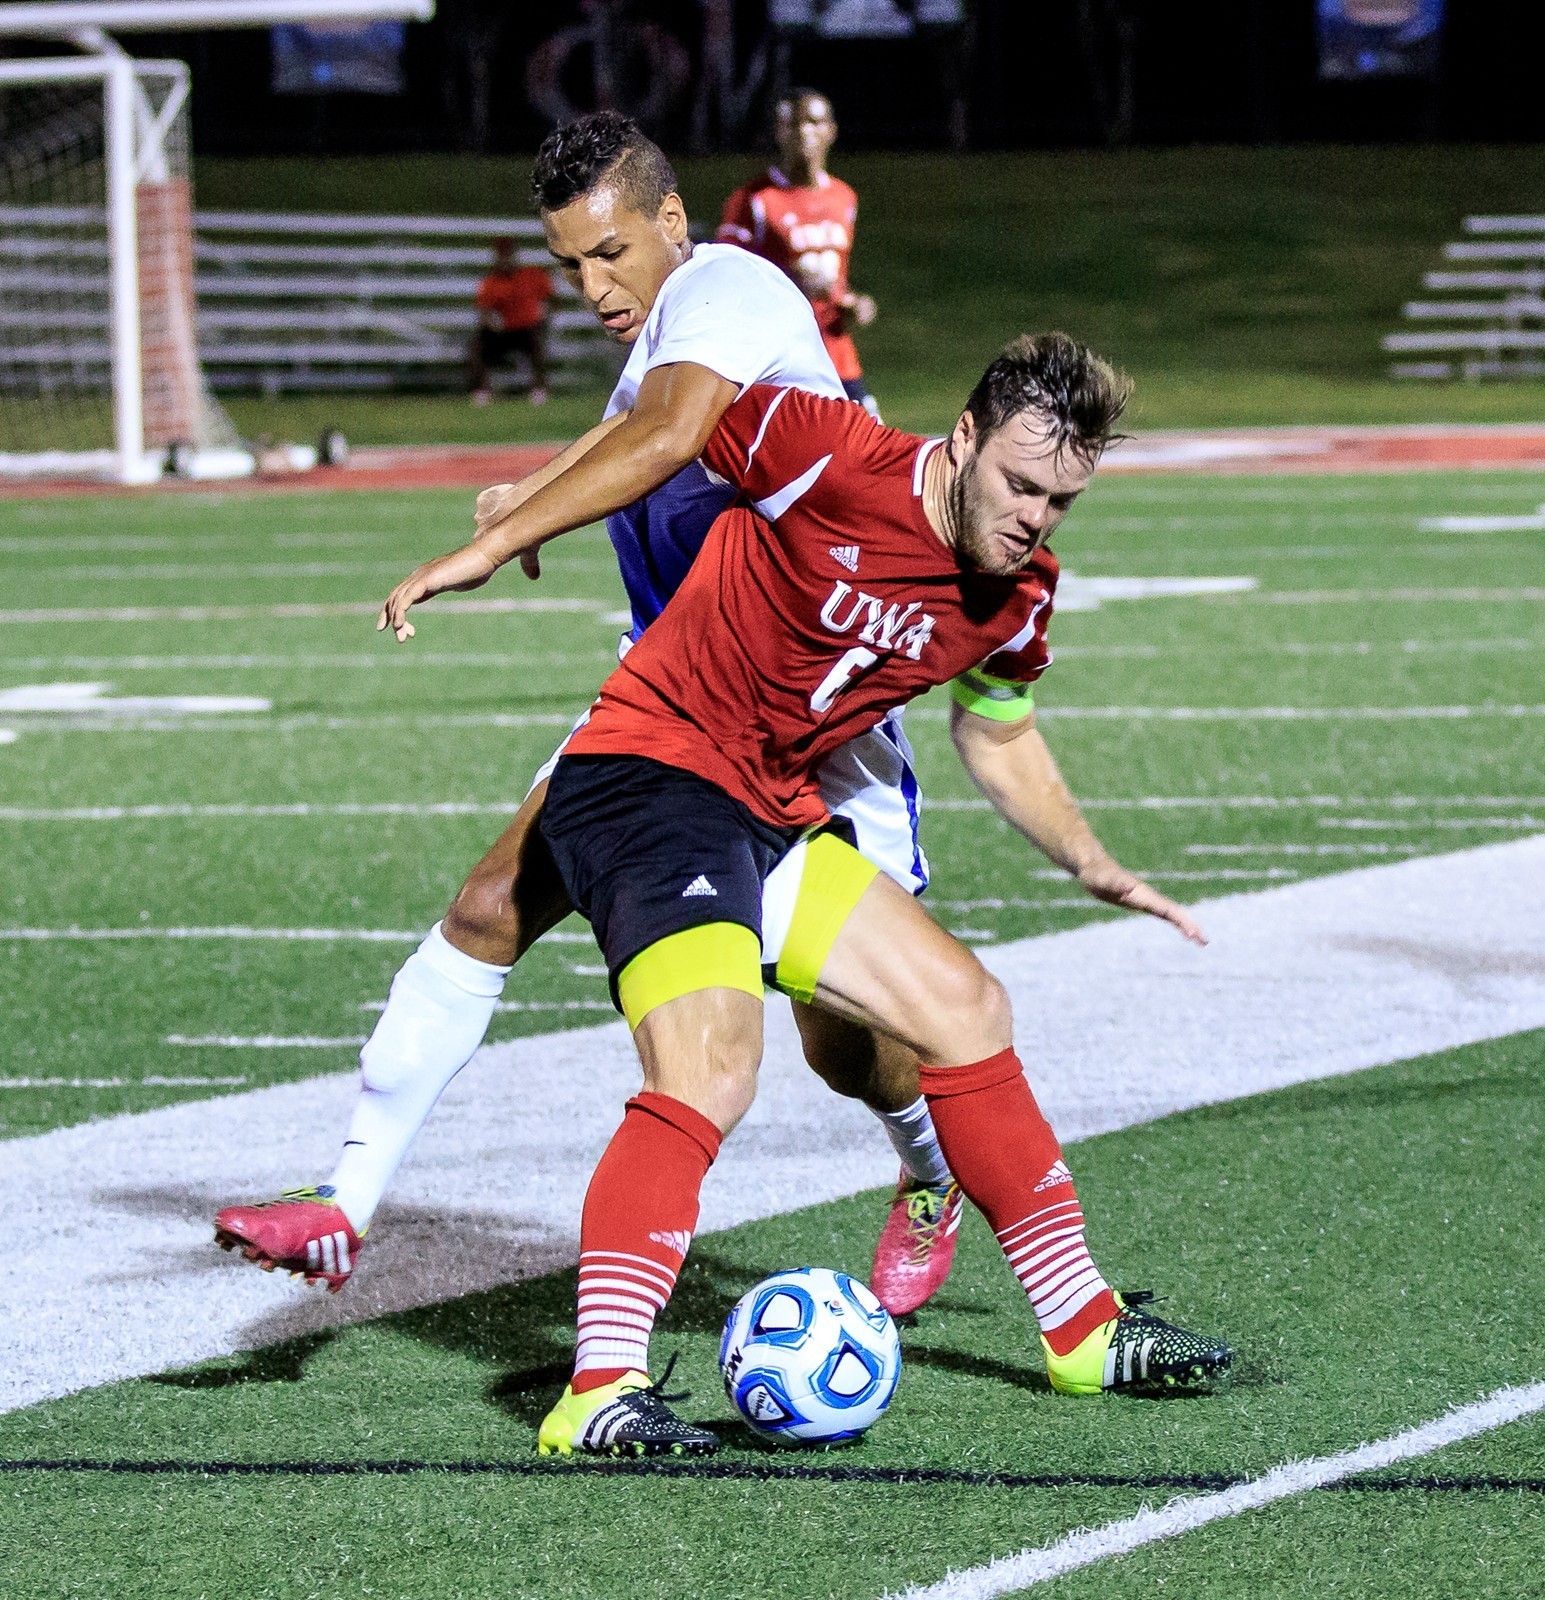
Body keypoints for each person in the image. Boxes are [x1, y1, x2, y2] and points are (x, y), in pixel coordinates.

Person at [376, 333, 1234, 1458]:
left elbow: (999, 729)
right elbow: (660, 432)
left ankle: (1082, 1327)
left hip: (769, 813)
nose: (1035, 516)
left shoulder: (1018, 592)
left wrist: (1090, 860)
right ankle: (597, 1388)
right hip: (646, 776)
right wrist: (500, 533)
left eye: (1061, 500)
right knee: (713, 1069)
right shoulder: (823, 449)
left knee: (966, 1010)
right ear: (962, 438)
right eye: (1021, 484)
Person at [215, 112, 963, 1317]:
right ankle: (344, 1206)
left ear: (672, 221)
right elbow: (628, 418)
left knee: (846, 1041)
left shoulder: (730, 283)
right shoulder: (670, 324)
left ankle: (930, 1172)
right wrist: (538, 481)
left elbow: (668, 433)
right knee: (488, 905)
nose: (593, 285)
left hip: (810, 723)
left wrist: (497, 540)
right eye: (571, 264)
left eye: (610, 252)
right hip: (668, 715)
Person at [718, 88, 880, 416]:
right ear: (779, 132)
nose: (805, 132)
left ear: (831, 130)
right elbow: (724, 276)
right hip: (781, 358)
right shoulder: (754, 200)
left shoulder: (844, 197)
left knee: (875, 447)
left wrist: (852, 302)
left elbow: (835, 282)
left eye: (814, 122)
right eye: (794, 124)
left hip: (836, 354)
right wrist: (790, 276)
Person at [468, 237, 553, 406]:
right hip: (503, 330)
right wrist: (492, 324)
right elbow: (483, 310)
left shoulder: (531, 276)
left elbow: (551, 298)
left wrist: (544, 316)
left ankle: (539, 389)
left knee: (536, 341)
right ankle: (481, 391)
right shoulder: (492, 281)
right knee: (477, 344)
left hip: (527, 328)